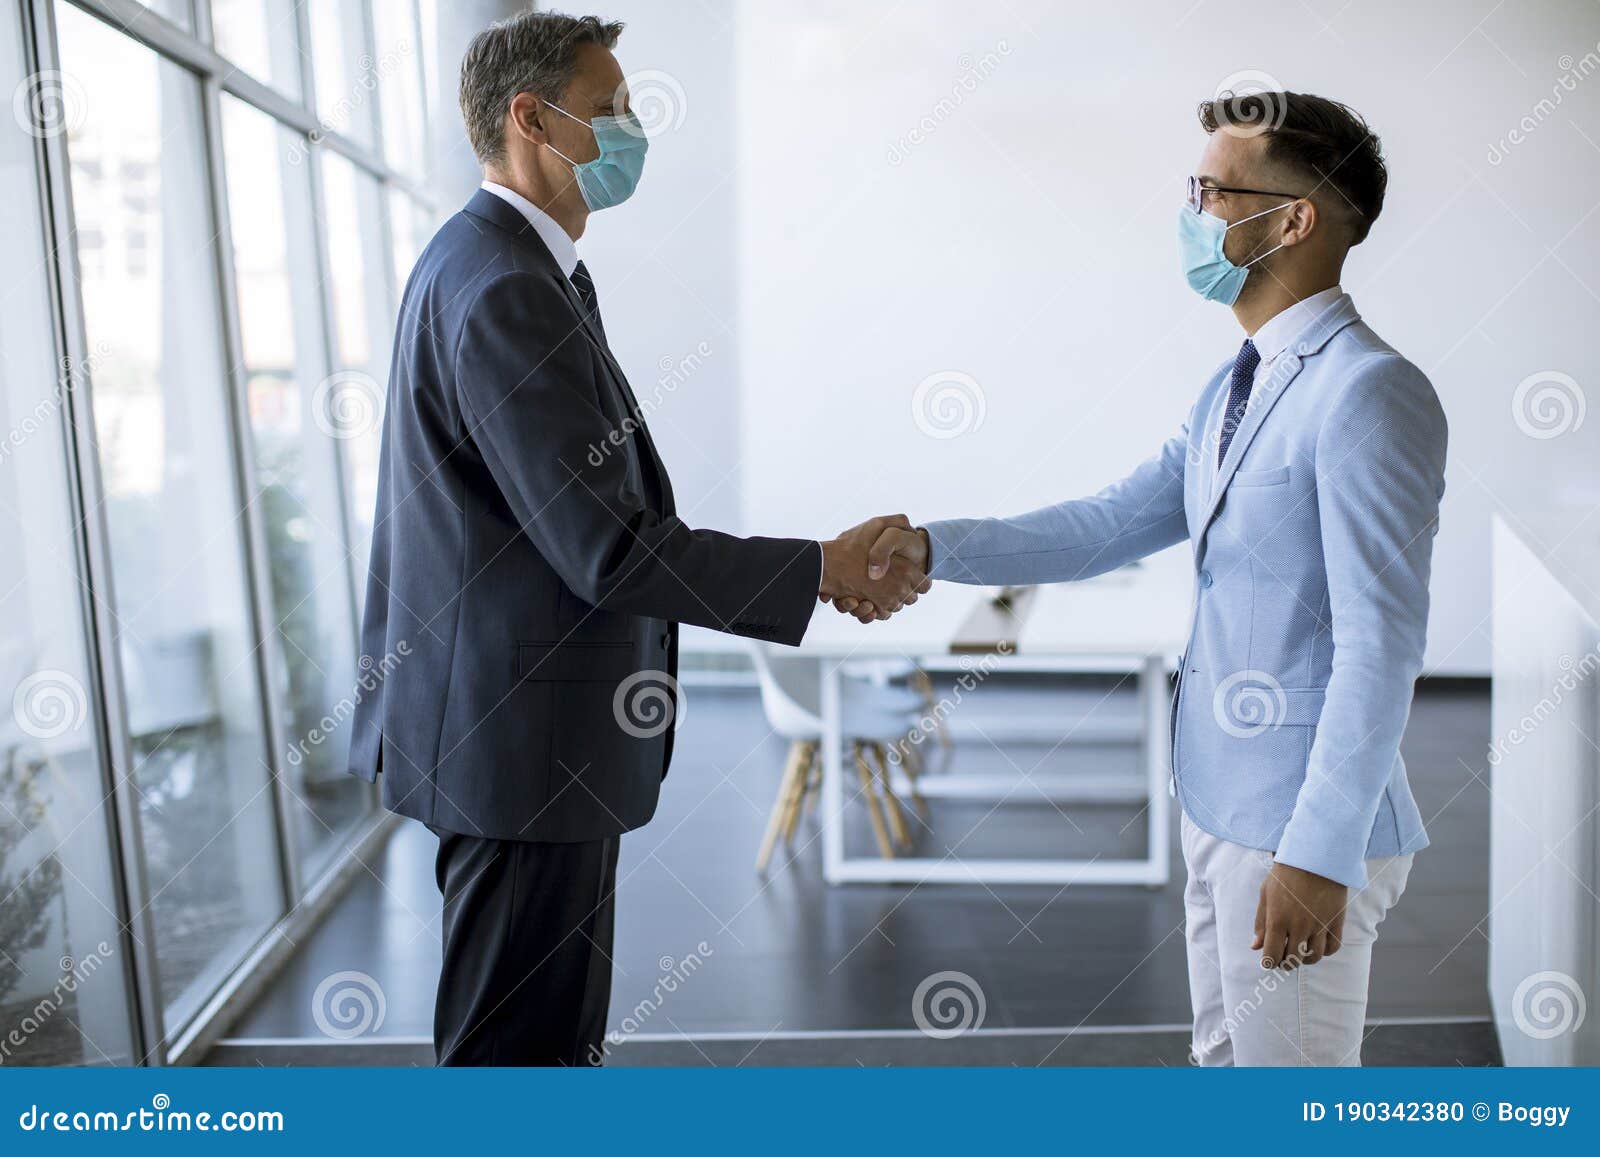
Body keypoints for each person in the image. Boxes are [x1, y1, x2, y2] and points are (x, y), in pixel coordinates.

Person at [346, 10, 926, 1067]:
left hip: (518, 739)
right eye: (609, 108)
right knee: (516, 1052)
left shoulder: (505, 263)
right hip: (521, 752)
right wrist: (823, 569)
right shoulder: (507, 286)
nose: (630, 129)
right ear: (531, 118)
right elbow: (609, 549)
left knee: (549, 1041)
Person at [844, 92, 1447, 1066]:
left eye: (1212, 190)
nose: (1191, 212)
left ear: (1293, 220)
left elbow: (1382, 643)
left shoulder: (1367, 390)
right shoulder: (1237, 379)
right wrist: (930, 546)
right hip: (1217, 803)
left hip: (1294, 826)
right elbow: (1104, 527)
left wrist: (1319, 852)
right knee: (1223, 1066)